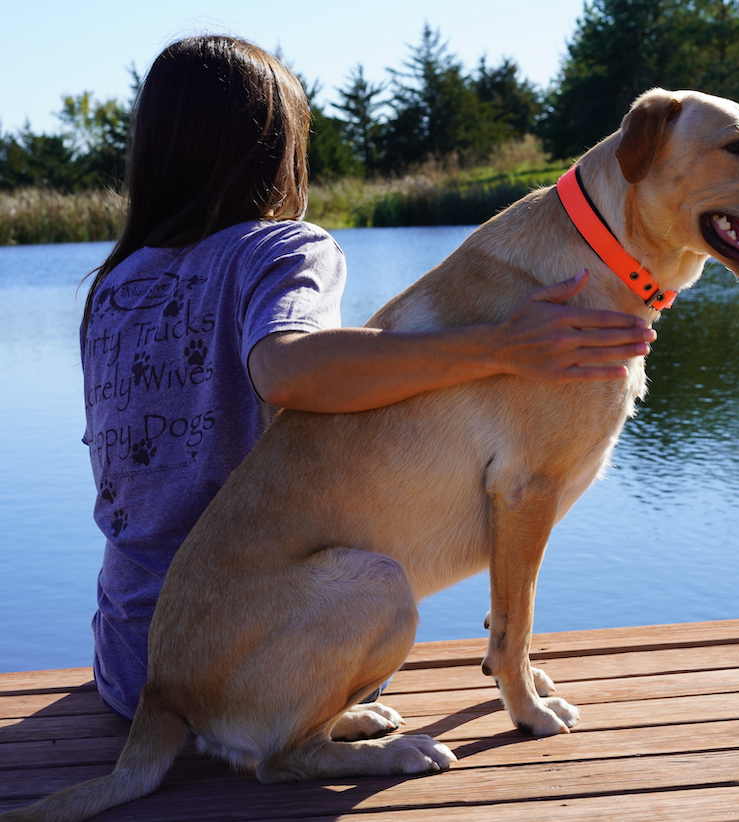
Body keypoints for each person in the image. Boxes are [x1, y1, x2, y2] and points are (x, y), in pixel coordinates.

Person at [81, 35, 654, 720]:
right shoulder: (280, 250)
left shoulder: (115, 285)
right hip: (256, 662)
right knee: (378, 587)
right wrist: (500, 347)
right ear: (279, 152)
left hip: (128, 665)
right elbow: (289, 370)